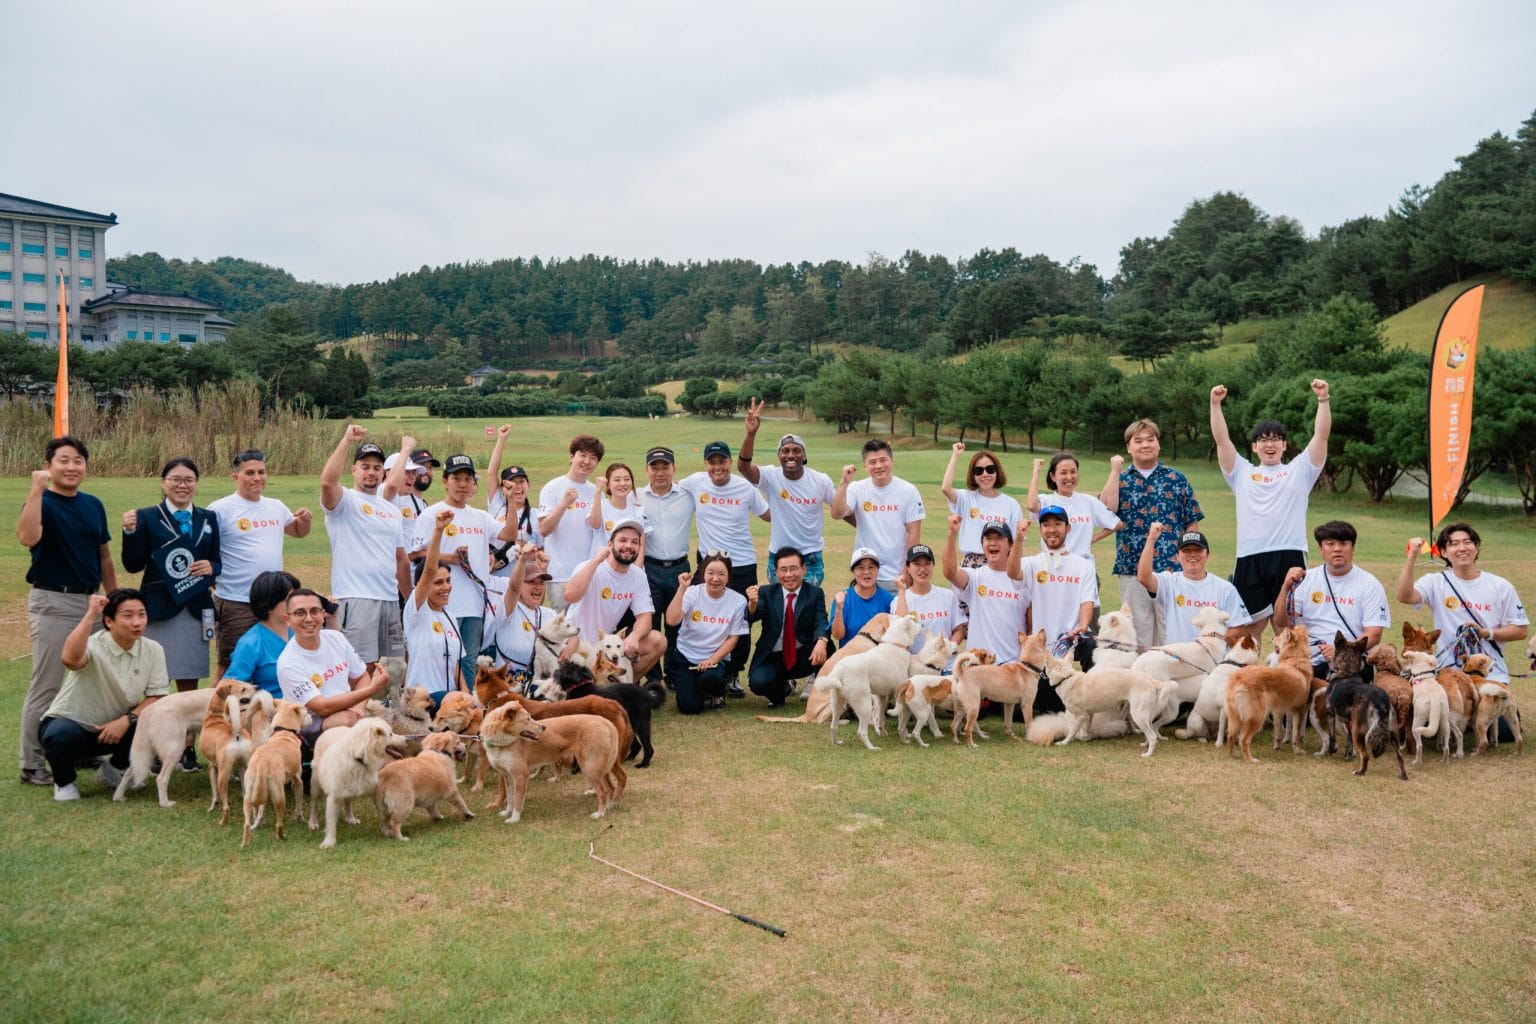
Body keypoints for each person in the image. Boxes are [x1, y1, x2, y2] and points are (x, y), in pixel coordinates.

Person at [17, 435, 116, 787]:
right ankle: (31, 763)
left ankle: (80, 745)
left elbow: (103, 555)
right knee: (48, 682)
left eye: (78, 460)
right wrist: (35, 491)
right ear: (48, 466)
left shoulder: (93, 505)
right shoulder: (41, 501)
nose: (71, 466)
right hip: (53, 602)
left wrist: (114, 599)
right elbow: (27, 537)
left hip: (90, 600)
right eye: (63, 460)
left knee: (88, 679)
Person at [1211, 379, 1332, 640]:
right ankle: (1243, 676)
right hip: (1250, 556)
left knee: (1286, 628)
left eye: (1276, 439)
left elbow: (1321, 436)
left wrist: (1323, 399)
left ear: (1285, 445)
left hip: (1289, 554)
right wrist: (1215, 405)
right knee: (1245, 631)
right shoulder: (1242, 472)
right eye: (1263, 440)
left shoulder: (1299, 471)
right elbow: (1222, 441)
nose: (1270, 444)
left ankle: (1290, 677)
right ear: (1254, 446)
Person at [121, 456, 221, 772]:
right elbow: (133, 564)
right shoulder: (147, 517)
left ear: (196, 483)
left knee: (190, 679)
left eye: (189, 479)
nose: (182, 485)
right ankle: (150, 747)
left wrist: (211, 567)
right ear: (163, 482)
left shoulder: (208, 518)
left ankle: (187, 749)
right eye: (176, 479)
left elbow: (216, 561)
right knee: (155, 682)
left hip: (195, 606)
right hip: (160, 607)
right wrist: (129, 532)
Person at [39, 589, 167, 801]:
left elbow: (157, 696)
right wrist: (90, 615)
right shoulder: (93, 644)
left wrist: (126, 720)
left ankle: (114, 771)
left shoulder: (154, 649)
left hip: (117, 727)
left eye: (141, 615)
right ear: (109, 621)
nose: (137, 622)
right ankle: (64, 782)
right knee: (59, 735)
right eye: (128, 616)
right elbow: (70, 659)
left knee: (157, 720)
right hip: (74, 725)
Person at [410, 454, 518, 688]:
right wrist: (448, 558)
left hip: (474, 602)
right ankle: (440, 702)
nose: (462, 484)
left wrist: (511, 502)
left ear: (474, 484)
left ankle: (468, 706)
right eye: (456, 478)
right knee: (442, 656)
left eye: (468, 479)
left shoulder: (480, 516)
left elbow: (509, 535)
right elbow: (414, 554)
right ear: (445, 482)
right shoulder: (433, 514)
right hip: (442, 602)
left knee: (469, 660)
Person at [1100, 419, 1203, 648]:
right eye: (1138, 441)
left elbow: (1191, 522)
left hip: (1171, 568)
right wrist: (1115, 471)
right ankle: (1142, 681)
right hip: (1132, 566)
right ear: (1129, 447)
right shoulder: (1122, 479)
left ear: (1158, 444)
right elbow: (1107, 510)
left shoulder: (1176, 479)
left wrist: (1187, 558)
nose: (1145, 445)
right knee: (1137, 632)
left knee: (1172, 630)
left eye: (1150, 439)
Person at [677, 440, 769, 693]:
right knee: (694, 611)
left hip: (742, 564)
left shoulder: (745, 488)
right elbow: (668, 492)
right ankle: (688, 665)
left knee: (741, 620)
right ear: (706, 463)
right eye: (712, 462)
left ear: (730, 462)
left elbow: (769, 514)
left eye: (722, 461)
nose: (717, 467)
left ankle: (732, 673)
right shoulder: (695, 482)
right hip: (709, 564)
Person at [207, 449, 312, 671]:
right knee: (231, 666)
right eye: (250, 473)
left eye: (262, 472)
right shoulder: (220, 509)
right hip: (237, 601)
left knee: (278, 662)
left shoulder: (275, 506)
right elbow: (205, 551)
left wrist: (305, 521)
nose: (257, 478)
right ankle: (218, 706)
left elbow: (298, 531)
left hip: (276, 602)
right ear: (236, 477)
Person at [1397, 522, 1529, 684]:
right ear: (1444, 552)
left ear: (1477, 547)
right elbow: (1405, 596)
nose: (1462, 548)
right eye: (1454, 544)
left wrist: (1486, 633)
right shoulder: (1436, 582)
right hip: (1449, 673)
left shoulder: (1501, 586)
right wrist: (1412, 557)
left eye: (1467, 542)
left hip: (1491, 673)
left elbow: (1521, 630)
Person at [319, 425, 404, 671]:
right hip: (356, 597)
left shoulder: (390, 509)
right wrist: (346, 440)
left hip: (389, 599)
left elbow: (400, 558)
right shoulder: (344, 500)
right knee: (359, 666)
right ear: (354, 469)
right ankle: (356, 710)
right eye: (365, 467)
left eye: (377, 468)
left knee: (392, 667)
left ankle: (384, 710)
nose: (371, 472)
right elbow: (327, 482)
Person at [739, 399, 837, 587]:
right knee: (778, 609)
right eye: (785, 451)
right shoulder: (770, 476)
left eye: (796, 451)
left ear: (804, 455)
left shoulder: (820, 480)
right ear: (779, 455)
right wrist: (751, 434)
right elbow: (744, 467)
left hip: (810, 557)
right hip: (779, 555)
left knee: (806, 609)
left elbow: (841, 510)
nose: (790, 455)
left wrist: (867, 526)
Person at [1273, 520, 1389, 677]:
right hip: (1309, 659)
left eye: (1343, 543)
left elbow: (1374, 634)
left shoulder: (1370, 585)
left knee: (1340, 689)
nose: (1337, 549)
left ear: (1352, 548)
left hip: (1351, 660)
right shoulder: (1306, 579)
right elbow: (1282, 622)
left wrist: (1342, 651)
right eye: (1330, 544)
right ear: (1320, 549)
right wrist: (1286, 587)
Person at [275, 588, 390, 741]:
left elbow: (362, 676)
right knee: (346, 720)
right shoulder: (288, 663)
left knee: (378, 727)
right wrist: (372, 690)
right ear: (287, 619)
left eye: (315, 611)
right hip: (306, 724)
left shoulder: (336, 638)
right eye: (300, 613)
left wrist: (358, 709)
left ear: (323, 615)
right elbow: (322, 707)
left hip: (347, 710)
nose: (309, 619)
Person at [563, 520, 668, 680]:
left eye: (635, 542)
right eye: (623, 540)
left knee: (657, 640)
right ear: (610, 544)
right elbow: (570, 595)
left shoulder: (637, 575)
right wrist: (596, 561)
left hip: (606, 647)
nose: (629, 546)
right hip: (575, 645)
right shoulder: (590, 566)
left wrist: (635, 636)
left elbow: (645, 617)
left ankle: (623, 690)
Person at [831, 438, 925, 593]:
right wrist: (844, 483)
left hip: (896, 576)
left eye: (883, 460)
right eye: (873, 462)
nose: (879, 466)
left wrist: (908, 569)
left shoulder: (908, 490)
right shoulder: (857, 488)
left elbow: (914, 532)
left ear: (891, 460)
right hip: (865, 573)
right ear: (865, 465)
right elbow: (837, 513)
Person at [1136, 525, 1251, 644]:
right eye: (1186, 550)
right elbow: (1144, 577)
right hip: (1178, 658)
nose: (1193, 554)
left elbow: (1239, 627)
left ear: (1208, 555)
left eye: (1198, 550)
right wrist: (1151, 539)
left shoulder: (1225, 588)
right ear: (1177, 557)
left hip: (1213, 660)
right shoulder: (1169, 582)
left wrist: (1215, 643)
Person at [665, 553, 749, 713]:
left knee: (712, 678)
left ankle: (715, 692)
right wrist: (682, 589)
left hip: (715, 660)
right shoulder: (691, 592)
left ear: (729, 576)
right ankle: (695, 689)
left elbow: (733, 638)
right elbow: (671, 620)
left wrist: (712, 659)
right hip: (685, 657)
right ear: (703, 573)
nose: (715, 579)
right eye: (710, 573)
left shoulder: (738, 601)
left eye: (721, 574)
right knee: (689, 707)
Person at [745, 547, 829, 707]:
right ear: (776, 573)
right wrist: (752, 603)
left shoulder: (815, 593)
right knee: (758, 682)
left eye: (793, 569)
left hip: (804, 655)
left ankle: (822, 696)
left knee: (828, 648)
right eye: (783, 570)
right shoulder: (766, 592)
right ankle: (781, 692)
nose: (789, 575)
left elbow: (821, 620)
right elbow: (752, 616)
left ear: (803, 569)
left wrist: (822, 640)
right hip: (774, 655)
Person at [637, 446, 694, 680]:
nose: (660, 472)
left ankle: (673, 671)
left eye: (665, 467)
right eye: (654, 467)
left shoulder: (687, 495)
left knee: (677, 623)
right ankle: (653, 676)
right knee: (650, 621)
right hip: (649, 568)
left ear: (674, 469)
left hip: (680, 568)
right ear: (647, 470)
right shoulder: (636, 496)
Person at [1020, 506, 1097, 676]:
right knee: (1045, 701)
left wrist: (1083, 627)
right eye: (1046, 525)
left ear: (1068, 528)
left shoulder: (1083, 565)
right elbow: (1012, 572)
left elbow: (1087, 601)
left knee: (1091, 643)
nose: (1052, 529)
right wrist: (1018, 539)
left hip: (1072, 640)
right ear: (1040, 530)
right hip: (1042, 645)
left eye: (1058, 524)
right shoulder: (1032, 563)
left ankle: (1091, 692)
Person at [942, 517, 1030, 665]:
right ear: (982, 545)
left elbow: (1031, 627)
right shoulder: (975, 577)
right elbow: (950, 572)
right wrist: (952, 534)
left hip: (1011, 668)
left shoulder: (1024, 581)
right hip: (978, 667)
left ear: (1010, 545)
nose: (993, 543)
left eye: (999, 538)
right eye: (988, 538)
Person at [404, 509, 468, 707]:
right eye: (438, 583)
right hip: (422, 699)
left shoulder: (450, 617)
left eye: (448, 581)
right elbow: (430, 570)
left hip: (449, 699)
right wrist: (439, 530)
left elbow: (456, 666)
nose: (446, 587)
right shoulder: (417, 610)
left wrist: (468, 695)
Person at [537, 433, 604, 609]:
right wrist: (564, 504)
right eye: (582, 455)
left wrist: (598, 494)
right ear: (571, 457)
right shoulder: (552, 488)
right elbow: (544, 529)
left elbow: (597, 525)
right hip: (560, 576)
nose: (587, 461)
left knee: (588, 632)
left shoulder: (595, 492)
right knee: (562, 631)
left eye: (593, 458)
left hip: (589, 574)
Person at [1025, 452, 1121, 566]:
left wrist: (1091, 539)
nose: (1069, 477)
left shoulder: (1088, 501)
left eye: (1073, 472)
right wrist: (1036, 471)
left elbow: (1116, 524)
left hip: (1082, 567)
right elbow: (1031, 505)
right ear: (1053, 476)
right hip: (1053, 566)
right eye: (1063, 473)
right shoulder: (1046, 500)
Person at [222, 570, 301, 700]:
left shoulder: (299, 629)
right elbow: (228, 690)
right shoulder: (250, 643)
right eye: (289, 600)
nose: (297, 604)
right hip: (275, 712)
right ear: (269, 605)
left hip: (312, 702)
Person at [942, 443, 1023, 568]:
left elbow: (1017, 543)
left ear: (997, 471)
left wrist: (1016, 571)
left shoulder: (1011, 505)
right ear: (973, 475)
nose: (985, 474)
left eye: (990, 469)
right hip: (972, 565)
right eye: (979, 471)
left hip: (1001, 565)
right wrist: (955, 456)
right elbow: (946, 489)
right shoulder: (966, 499)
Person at [487, 545, 555, 694]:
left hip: (540, 686)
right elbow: (513, 588)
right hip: (508, 686)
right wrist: (523, 559)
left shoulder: (549, 614)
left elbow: (571, 641)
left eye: (541, 582)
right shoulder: (508, 610)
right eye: (531, 582)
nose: (538, 587)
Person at [893, 543, 967, 658]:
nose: (922, 569)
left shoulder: (948, 596)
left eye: (927, 563)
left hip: (945, 666)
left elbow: (959, 630)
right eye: (917, 564)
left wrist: (948, 649)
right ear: (908, 568)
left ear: (933, 565)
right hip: (916, 667)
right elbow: (901, 632)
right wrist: (902, 591)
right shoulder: (900, 600)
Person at [385, 440, 440, 592]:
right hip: (393, 579)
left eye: (413, 472)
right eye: (407, 472)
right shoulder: (392, 497)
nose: (412, 477)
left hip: (412, 577)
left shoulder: (424, 505)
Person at [829, 548, 895, 646]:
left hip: (878, 658)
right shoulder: (844, 598)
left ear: (878, 570)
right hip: (850, 657)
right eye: (860, 567)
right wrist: (839, 609)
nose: (866, 572)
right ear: (853, 571)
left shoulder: (887, 599)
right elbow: (838, 636)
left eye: (871, 567)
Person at [587, 461, 649, 556]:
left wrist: (637, 570)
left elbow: (641, 546)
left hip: (629, 568)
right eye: (617, 480)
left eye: (627, 479)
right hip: (602, 567)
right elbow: (595, 524)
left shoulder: (638, 510)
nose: (622, 483)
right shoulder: (599, 505)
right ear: (608, 484)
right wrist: (598, 492)